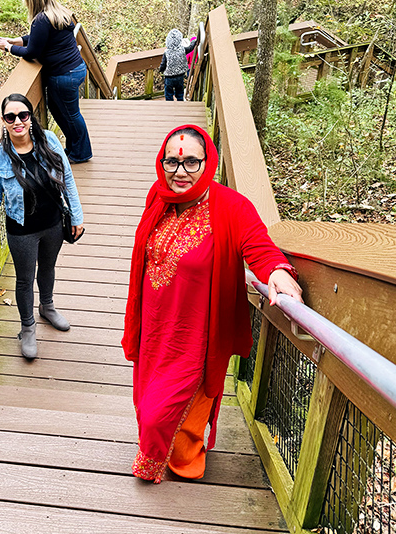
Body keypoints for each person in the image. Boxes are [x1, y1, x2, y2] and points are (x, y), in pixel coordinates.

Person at [122, 124, 302, 484]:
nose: (180, 172)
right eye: (172, 162)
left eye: (191, 162)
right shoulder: (157, 196)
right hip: (155, 324)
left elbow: (258, 245)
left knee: (166, 408)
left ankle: (179, 457)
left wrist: (277, 272)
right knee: (148, 400)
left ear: (209, 162)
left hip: (196, 332)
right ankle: (168, 449)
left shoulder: (232, 207)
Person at [0, 93, 84, 360]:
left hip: (53, 223)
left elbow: (69, 179)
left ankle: (47, 307)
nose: (17, 121)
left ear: (30, 117)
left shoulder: (49, 140)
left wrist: (77, 216)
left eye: (23, 115)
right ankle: (27, 327)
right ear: (4, 122)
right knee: (25, 279)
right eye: (10, 117)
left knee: (48, 268)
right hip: (22, 229)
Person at [0, 0, 92, 163]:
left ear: (33, 1)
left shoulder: (41, 19)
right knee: (59, 110)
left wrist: (8, 48)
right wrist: (14, 41)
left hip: (63, 75)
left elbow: (32, 52)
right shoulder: (59, 13)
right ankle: (73, 149)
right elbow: (38, 38)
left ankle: (81, 153)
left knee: (71, 115)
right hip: (76, 69)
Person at [159, 29, 191, 101]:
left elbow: (163, 64)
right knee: (179, 92)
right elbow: (190, 48)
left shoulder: (167, 52)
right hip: (180, 76)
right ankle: (180, 104)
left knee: (168, 93)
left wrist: (161, 69)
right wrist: (194, 42)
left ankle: (170, 106)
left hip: (169, 77)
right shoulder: (183, 50)